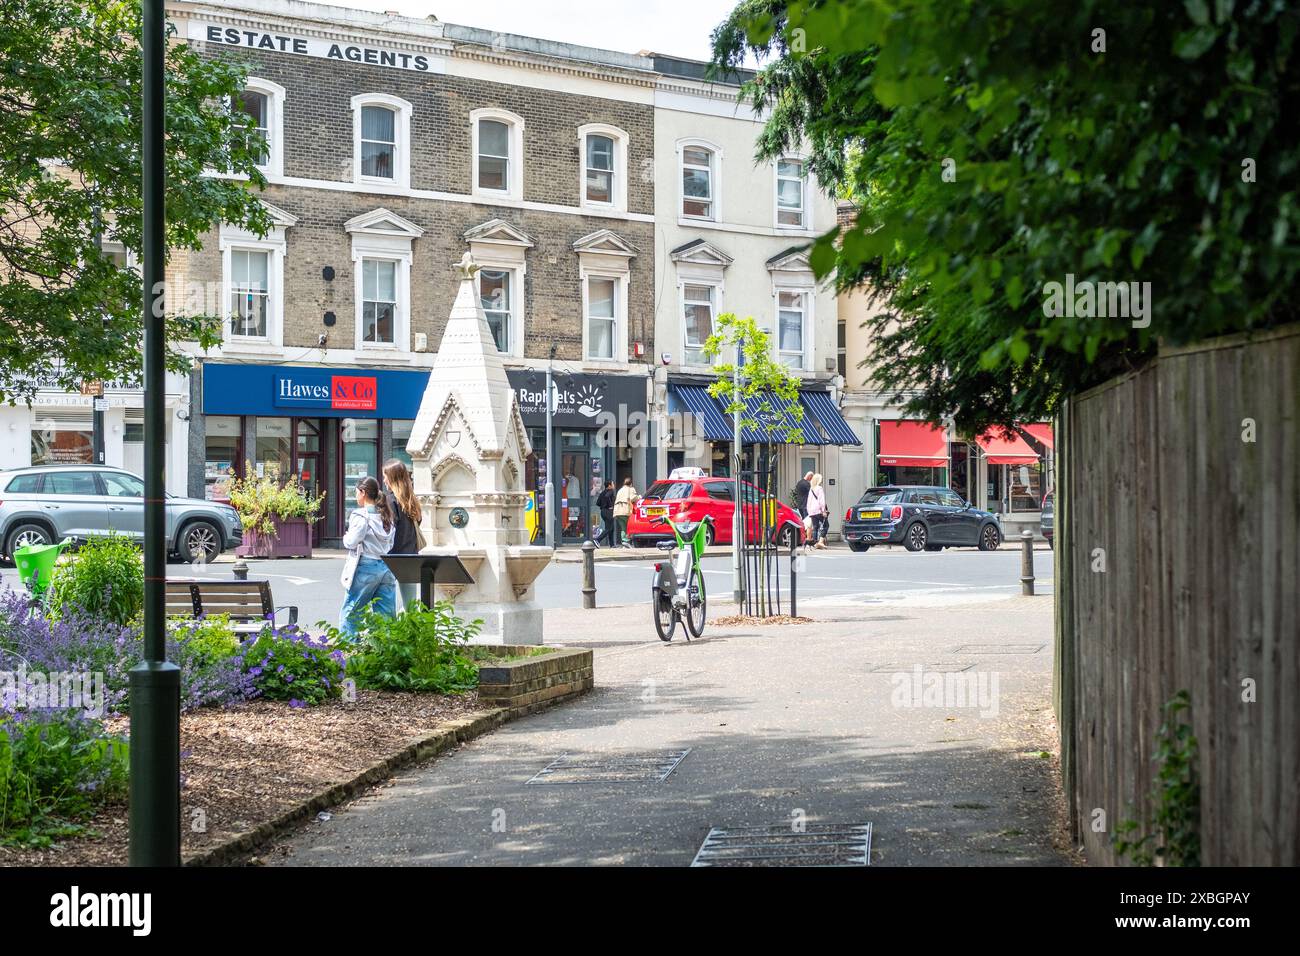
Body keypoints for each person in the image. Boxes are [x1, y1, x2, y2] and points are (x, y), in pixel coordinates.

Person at [338, 475, 397, 637]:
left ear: (363, 492)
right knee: (386, 614)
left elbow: (351, 541)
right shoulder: (386, 515)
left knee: (351, 612)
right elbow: (390, 544)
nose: (356, 496)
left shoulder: (360, 515)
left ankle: (349, 652)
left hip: (365, 567)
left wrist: (345, 537)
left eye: (356, 492)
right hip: (386, 567)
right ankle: (387, 651)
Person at [382, 459, 422, 610]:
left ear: (392, 477)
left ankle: (394, 632)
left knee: (385, 605)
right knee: (410, 604)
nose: (384, 479)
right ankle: (413, 631)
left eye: (385, 475)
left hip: (392, 558)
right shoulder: (412, 501)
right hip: (410, 556)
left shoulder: (390, 501)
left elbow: (388, 531)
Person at [613, 476, 637, 548]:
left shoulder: (620, 490)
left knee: (623, 527)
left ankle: (624, 541)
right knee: (629, 526)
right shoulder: (631, 489)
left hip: (617, 511)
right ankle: (627, 541)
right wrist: (639, 497)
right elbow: (633, 498)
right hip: (625, 510)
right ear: (631, 483)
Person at [807, 473, 829, 549]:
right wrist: (824, 511)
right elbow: (821, 501)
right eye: (821, 479)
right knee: (826, 525)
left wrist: (809, 511)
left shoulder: (811, 489)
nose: (822, 481)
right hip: (819, 510)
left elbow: (808, 502)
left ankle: (815, 543)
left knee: (815, 527)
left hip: (812, 511)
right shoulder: (819, 488)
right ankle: (820, 542)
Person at [596, 480, 616, 548]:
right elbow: (607, 496)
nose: (614, 485)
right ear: (609, 486)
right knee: (609, 528)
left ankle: (612, 544)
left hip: (603, 512)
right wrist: (610, 505)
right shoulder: (610, 491)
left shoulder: (602, 493)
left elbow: (598, 503)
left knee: (611, 528)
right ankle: (597, 540)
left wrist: (604, 505)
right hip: (608, 511)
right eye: (613, 484)